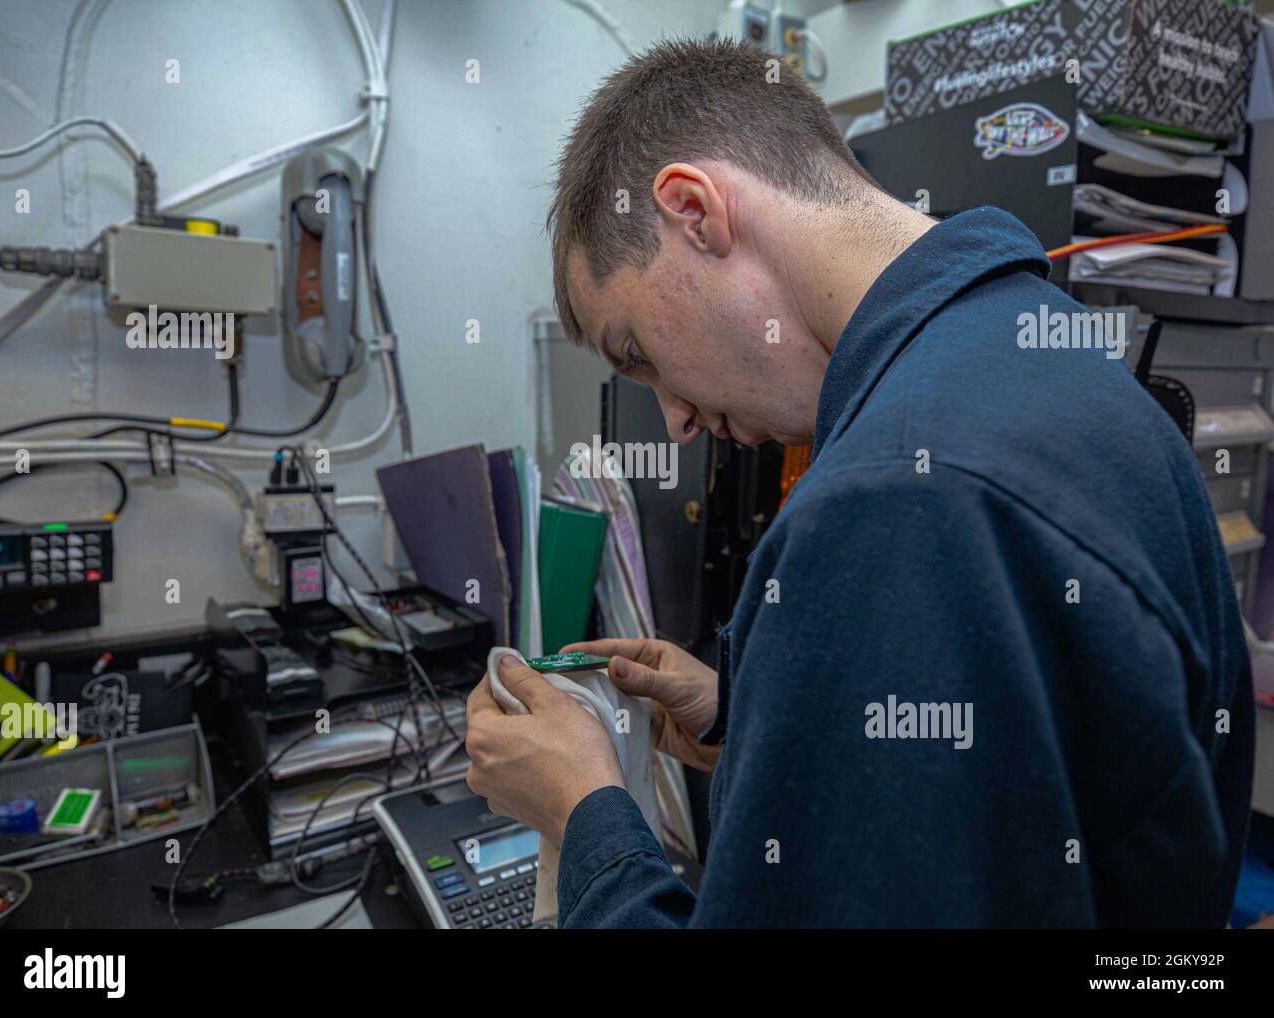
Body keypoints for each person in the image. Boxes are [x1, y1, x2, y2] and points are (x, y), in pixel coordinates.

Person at [464, 39, 1254, 927]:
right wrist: (760, 709)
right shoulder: (1047, 349)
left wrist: (585, 814)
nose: (675, 422)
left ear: (693, 211)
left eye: (637, 355)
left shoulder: (898, 499)